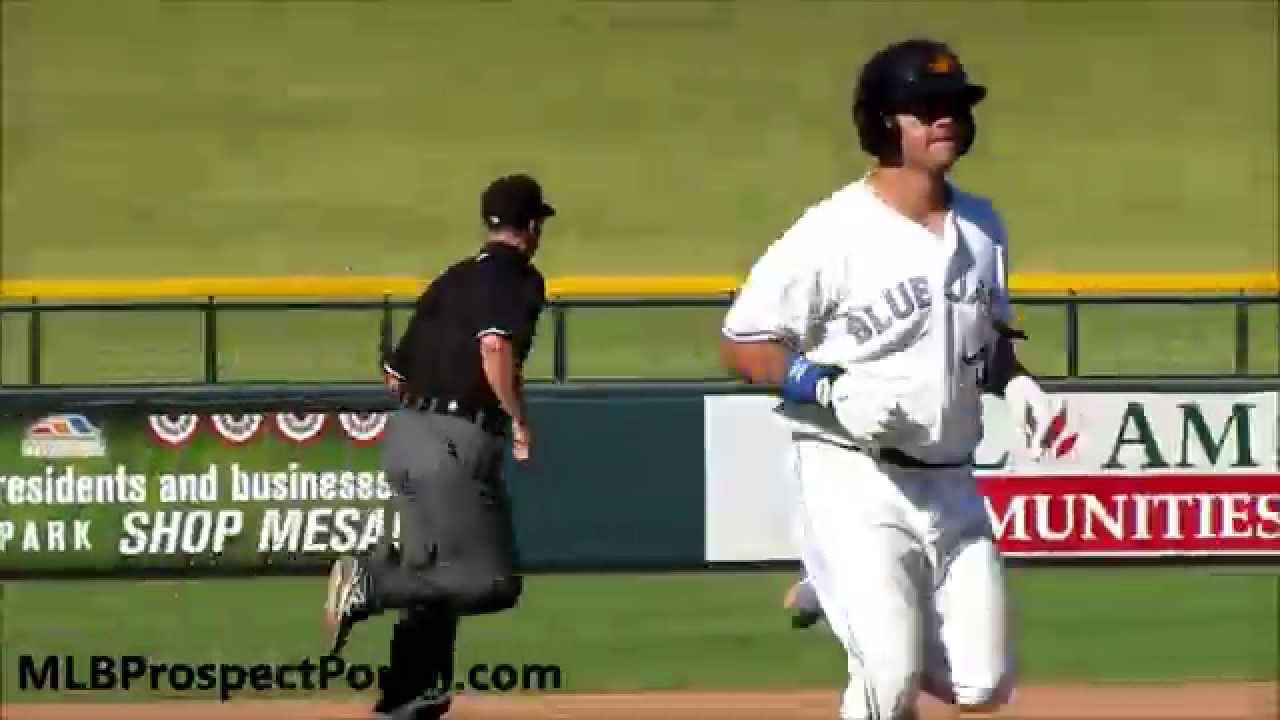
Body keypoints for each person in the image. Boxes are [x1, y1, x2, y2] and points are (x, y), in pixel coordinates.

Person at [719, 38, 1076, 720]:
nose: (946, 119)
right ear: (884, 123)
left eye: (956, 106)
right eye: (925, 108)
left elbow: (986, 340)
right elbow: (743, 342)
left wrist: (1018, 382)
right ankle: (846, 584)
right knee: (889, 675)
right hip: (852, 474)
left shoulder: (981, 226)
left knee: (984, 688)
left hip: (951, 479)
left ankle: (834, 594)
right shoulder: (832, 231)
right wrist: (822, 385)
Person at [323, 173, 554, 720]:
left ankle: (406, 697)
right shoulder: (517, 276)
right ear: (530, 225)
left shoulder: (451, 279)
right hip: (456, 442)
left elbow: (394, 376)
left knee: (435, 585)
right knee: (489, 582)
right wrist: (518, 418)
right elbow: (495, 346)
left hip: (405, 436)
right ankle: (370, 582)